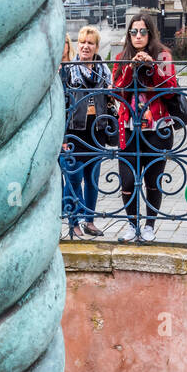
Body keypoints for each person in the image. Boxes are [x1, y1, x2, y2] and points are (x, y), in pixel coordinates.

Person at [112, 11, 177, 242]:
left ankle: (149, 226)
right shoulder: (121, 57)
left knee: (153, 179)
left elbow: (171, 90)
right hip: (128, 128)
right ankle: (131, 225)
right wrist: (130, 67)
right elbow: (116, 91)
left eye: (142, 31)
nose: (138, 36)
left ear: (150, 33)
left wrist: (153, 68)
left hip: (157, 128)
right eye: (133, 32)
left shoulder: (163, 56)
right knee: (128, 180)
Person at [60, 26, 112, 238]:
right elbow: (61, 105)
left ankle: (89, 221)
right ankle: (74, 223)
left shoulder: (103, 69)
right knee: (73, 178)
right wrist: (62, 136)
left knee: (92, 178)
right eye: (82, 42)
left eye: (90, 43)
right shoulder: (69, 71)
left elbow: (111, 94)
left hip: (96, 130)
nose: (85, 46)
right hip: (74, 131)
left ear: (96, 46)